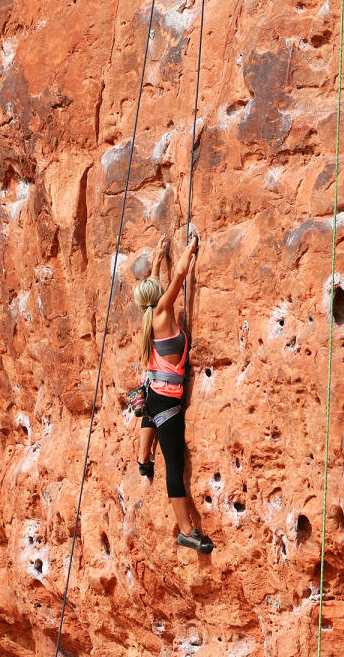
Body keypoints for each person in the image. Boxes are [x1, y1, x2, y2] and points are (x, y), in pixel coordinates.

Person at [132, 232, 214, 554]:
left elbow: (157, 288)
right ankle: (186, 531)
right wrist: (190, 248)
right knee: (175, 469)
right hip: (167, 401)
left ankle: (142, 459)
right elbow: (179, 276)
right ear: (157, 297)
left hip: (155, 395)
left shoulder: (149, 316)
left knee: (151, 408)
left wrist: (155, 262)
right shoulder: (163, 311)